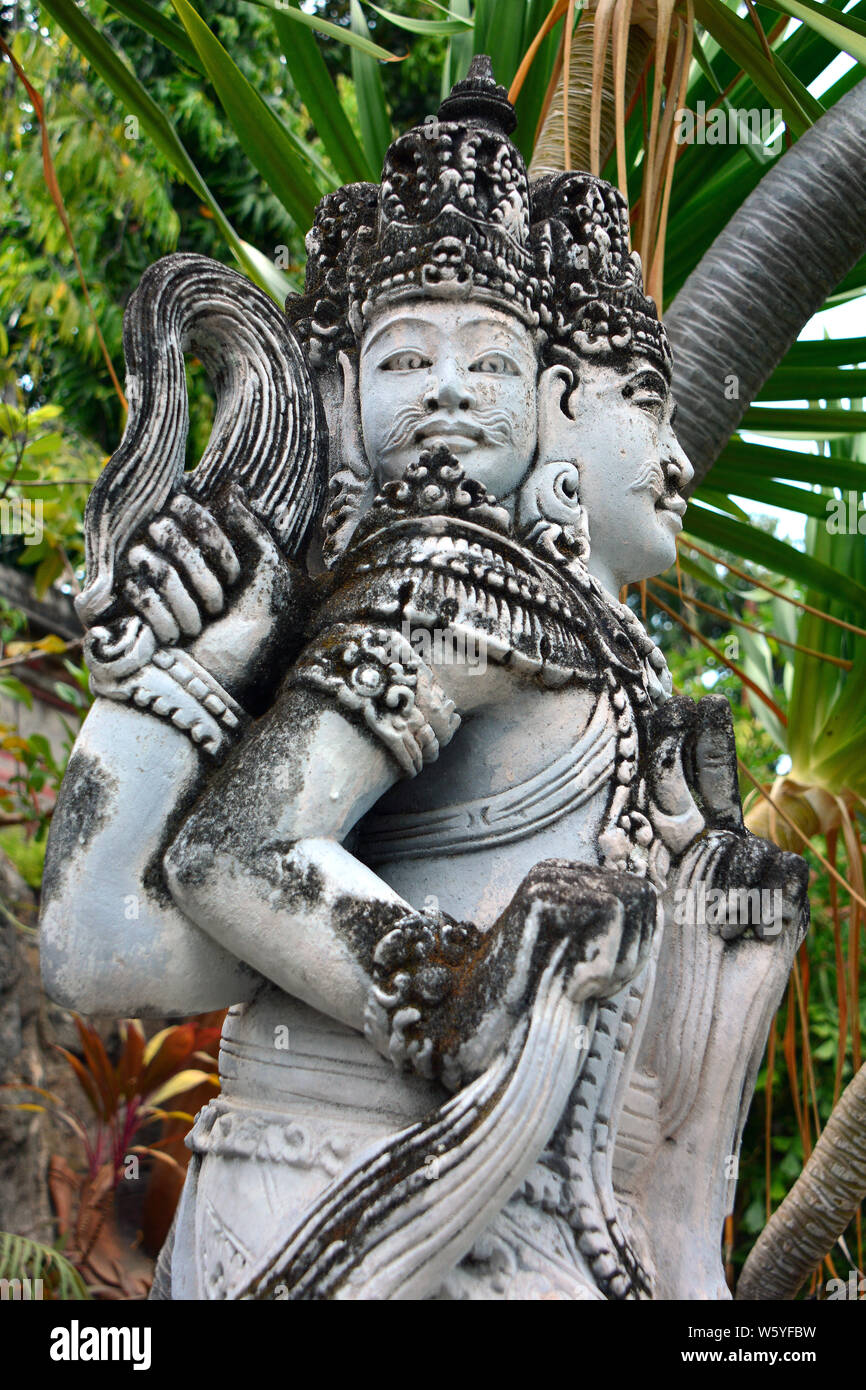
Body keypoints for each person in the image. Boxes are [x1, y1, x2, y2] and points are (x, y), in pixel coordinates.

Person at [41, 60, 806, 1301]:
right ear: (345, 390)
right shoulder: (444, 575)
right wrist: (449, 987)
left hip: (535, 1217)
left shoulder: (587, 638)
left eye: (484, 364)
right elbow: (223, 863)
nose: (448, 392)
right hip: (366, 1187)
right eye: (405, 363)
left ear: (541, 391)